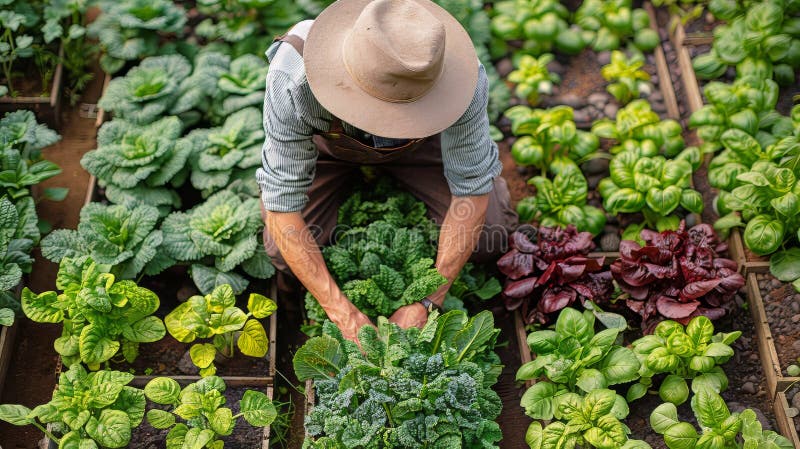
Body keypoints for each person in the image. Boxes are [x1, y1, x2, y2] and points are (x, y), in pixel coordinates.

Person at [256, 0, 517, 343]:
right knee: (281, 248)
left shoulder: (461, 77)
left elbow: (472, 189)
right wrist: (343, 313)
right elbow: (282, 205)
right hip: (328, 148)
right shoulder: (294, 74)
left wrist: (428, 300)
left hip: (423, 144)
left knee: (490, 235)